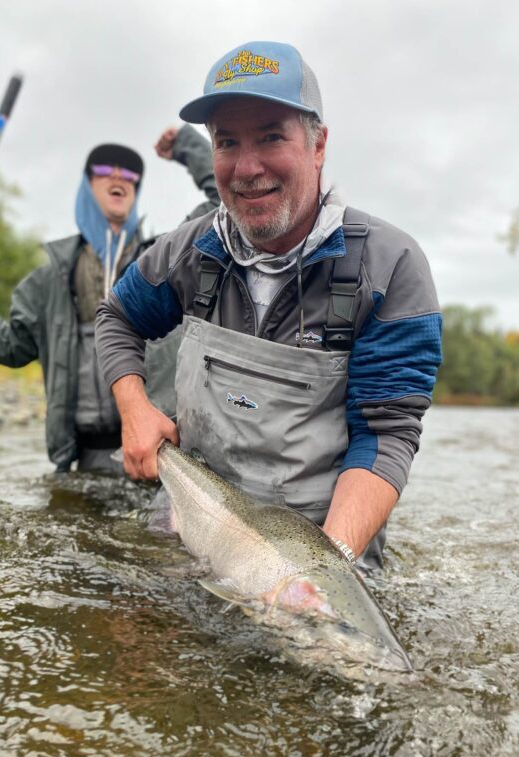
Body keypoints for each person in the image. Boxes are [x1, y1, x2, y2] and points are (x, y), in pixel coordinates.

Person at [95, 41, 442, 571]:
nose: (247, 166)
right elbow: (117, 317)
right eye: (228, 142)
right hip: (193, 520)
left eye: (271, 137)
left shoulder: (390, 267)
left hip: (323, 540)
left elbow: (386, 434)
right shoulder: (188, 250)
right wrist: (134, 408)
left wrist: (319, 572)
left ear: (319, 143)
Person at [0, 124, 218, 472]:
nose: (119, 177)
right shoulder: (50, 280)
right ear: (87, 185)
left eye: (131, 174)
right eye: (105, 170)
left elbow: (222, 203)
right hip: (85, 457)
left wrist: (187, 145)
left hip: (158, 448)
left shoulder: (166, 260)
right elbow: (10, 346)